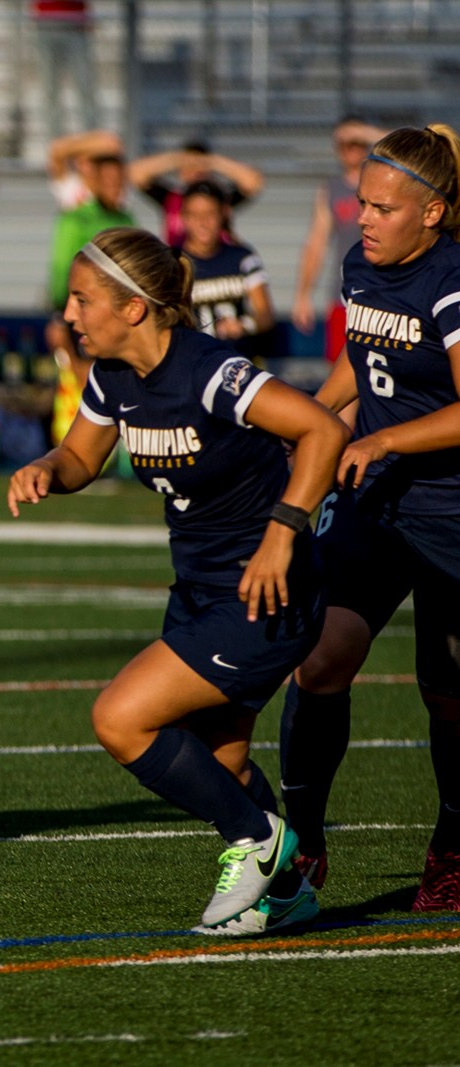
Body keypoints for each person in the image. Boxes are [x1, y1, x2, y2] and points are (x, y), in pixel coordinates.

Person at [8, 226, 349, 935]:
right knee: (219, 764)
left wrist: (282, 533)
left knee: (120, 717)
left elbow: (322, 428)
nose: (69, 315)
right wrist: (48, 469)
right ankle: (286, 890)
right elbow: (80, 455)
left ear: (134, 307)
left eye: (82, 300)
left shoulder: (210, 371)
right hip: (198, 588)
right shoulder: (110, 377)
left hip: (267, 592)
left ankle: (260, 842)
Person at [277, 125, 460, 915]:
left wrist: (383, 433)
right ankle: (301, 841)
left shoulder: (453, 282)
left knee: (448, 693)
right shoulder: (363, 265)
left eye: (385, 208)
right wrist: (316, 421)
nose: (366, 219)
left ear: (434, 212)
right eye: (362, 203)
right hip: (376, 496)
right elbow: (363, 356)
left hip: (451, 511)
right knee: (320, 659)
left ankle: (452, 846)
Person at [46, 130, 135, 443]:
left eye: (118, 180)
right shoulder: (77, 206)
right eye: (106, 179)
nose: (115, 186)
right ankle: (80, 449)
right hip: (79, 309)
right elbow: (57, 153)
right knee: (82, 379)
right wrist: (100, 142)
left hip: (114, 312)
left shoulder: (124, 215)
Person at [292, 117, 387, 360]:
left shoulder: (386, 183)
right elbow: (316, 243)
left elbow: (417, 151)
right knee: (340, 372)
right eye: (343, 143)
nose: (350, 149)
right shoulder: (330, 189)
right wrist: (303, 294)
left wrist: (367, 132)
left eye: (356, 142)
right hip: (345, 294)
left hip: (385, 290)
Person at [180, 180, 277, 363]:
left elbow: (266, 314)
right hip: (192, 365)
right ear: (183, 217)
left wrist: (244, 325)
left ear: (223, 214)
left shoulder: (243, 257)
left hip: (238, 362)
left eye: (210, 214)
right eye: (194, 215)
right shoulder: (173, 263)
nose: (202, 222)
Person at [128, 140, 265, 247]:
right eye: (189, 168)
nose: (195, 173)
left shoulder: (219, 198)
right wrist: (176, 159)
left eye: (200, 168)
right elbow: (136, 174)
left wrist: (213, 162)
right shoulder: (172, 198)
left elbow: (253, 182)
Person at [30, 1, 99, 140]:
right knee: (50, 89)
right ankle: (55, 142)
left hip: (75, 21)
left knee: (85, 85)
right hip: (46, 21)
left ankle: (92, 141)